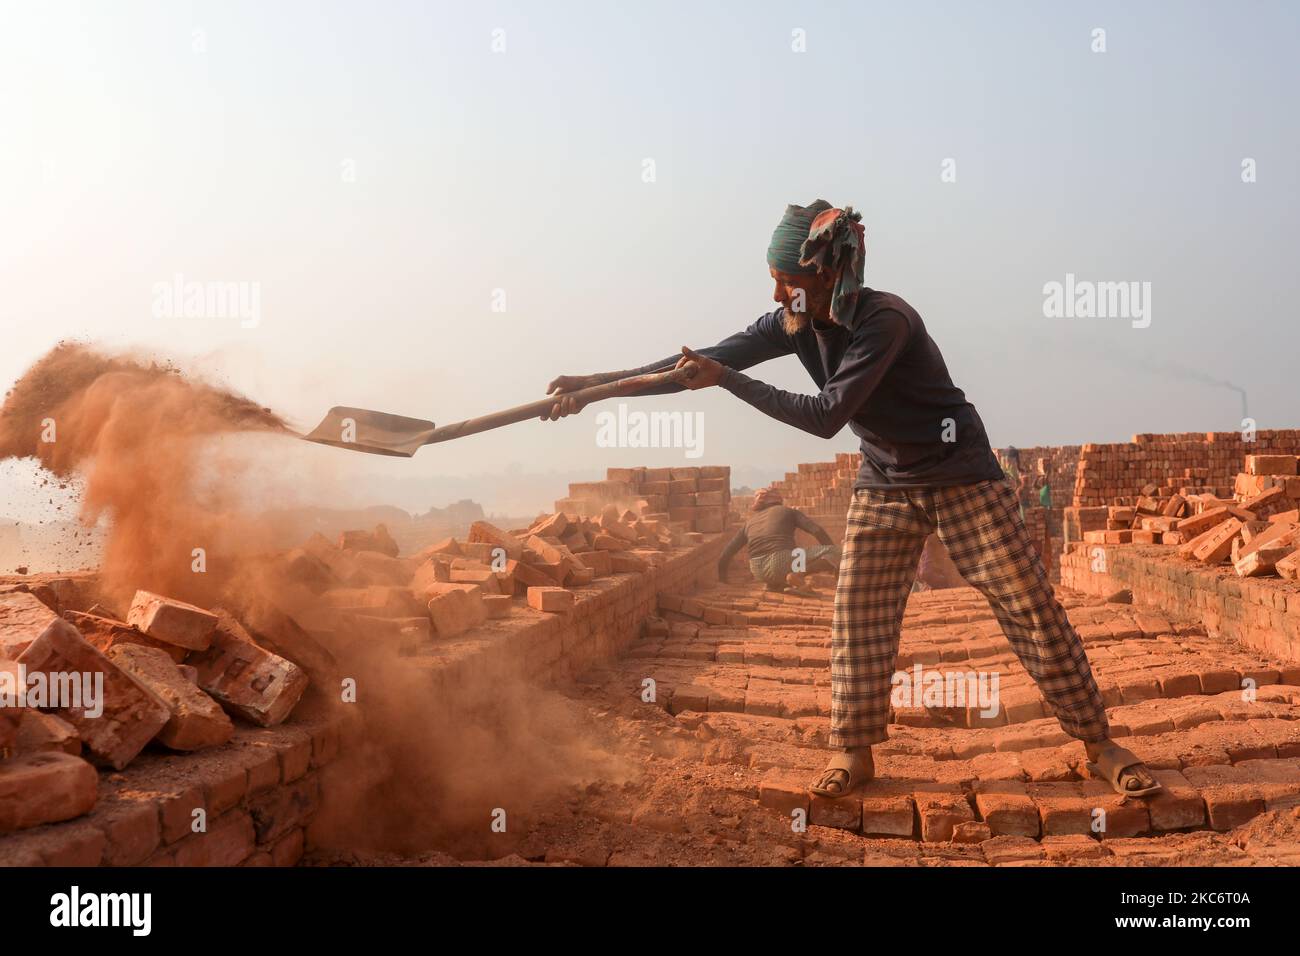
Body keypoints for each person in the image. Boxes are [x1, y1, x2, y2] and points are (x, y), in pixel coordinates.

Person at [542, 199, 1161, 800]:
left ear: (827, 274)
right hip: (886, 481)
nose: (778, 296)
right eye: (773, 282)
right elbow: (688, 367)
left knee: (1029, 604)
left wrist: (726, 380)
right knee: (856, 618)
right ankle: (854, 750)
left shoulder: (883, 320)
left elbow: (825, 417)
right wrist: (594, 387)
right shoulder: (793, 325)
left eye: (787, 282)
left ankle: (1099, 744)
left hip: (960, 473)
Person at [717, 487, 840, 591]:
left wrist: (723, 580)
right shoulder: (789, 512)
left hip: (757, 570)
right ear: (778, 500)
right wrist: (832, 555)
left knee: (787, 559)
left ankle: (775, 584)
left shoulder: (749, 522)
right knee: (838, 552)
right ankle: (798, 574)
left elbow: (727, 553)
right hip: (781, 562)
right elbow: (817, 530)